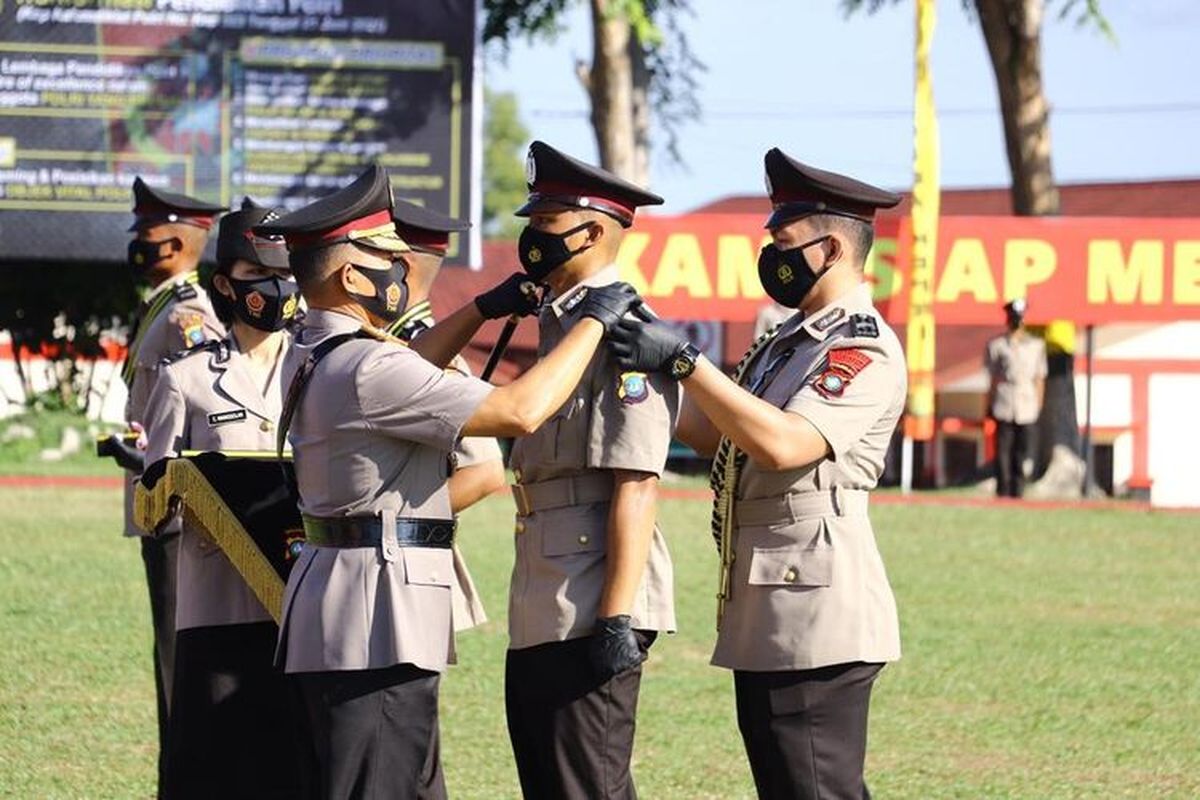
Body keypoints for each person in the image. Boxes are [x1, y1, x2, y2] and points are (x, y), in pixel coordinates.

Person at [256, 164, 643, 799]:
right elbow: (518, 410)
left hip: (341, 603)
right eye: (388, 260)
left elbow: (405, 365)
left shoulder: (315, 347)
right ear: (353, 275)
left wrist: (481, 310)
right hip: (376, 618)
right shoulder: (367, 365)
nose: (401, 274)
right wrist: (595, 323)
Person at [607, 148, 905, 799]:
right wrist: (637, 370)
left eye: (784, 241)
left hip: (818, 610)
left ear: (828, 250)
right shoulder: (787, 340)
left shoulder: (859, 346)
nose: (770, 253)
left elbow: (785, 444)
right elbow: (721, 435)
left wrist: (686, 361)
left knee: (815, 786)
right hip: (773, 604)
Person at [504, 140, 679, 800]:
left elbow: (637, 480)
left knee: (587, 783)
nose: (531, 239)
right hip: (550, 580)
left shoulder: (623, 325)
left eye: (544, 225)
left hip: (593, 589)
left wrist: (615, 617)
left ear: (593, 230)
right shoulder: (561, 318)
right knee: (552, 779)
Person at [139, 199, 309, 799]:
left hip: (304, 603)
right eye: (257, 277)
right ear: (224, 284)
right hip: (216, 601)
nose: (276, 288)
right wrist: (182, 493)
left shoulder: (322, 370)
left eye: (286, 275)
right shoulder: (183, 379)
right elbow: (151, 499)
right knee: (213, 765)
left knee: (293, 764)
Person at [122, 177, 226, 784]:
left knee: (178, 660)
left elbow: (209, 396)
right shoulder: (162, 303)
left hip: (177, 507)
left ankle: (185, 781)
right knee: (169, 655)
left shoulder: (188, 312)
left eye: (148, 234)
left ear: (177, 244)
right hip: (155, 495)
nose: (138, 243)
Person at [385, 199, 504, 632]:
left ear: (398, 266)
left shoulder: (433, 358)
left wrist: (379, 527)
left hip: (401, 564)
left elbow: (485, 472)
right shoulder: (379, 344)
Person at [984, 298, 1047, 498]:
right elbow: (992, 378)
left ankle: (1018, 490)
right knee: (1003, 449)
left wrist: (1038, 404)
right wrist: (989, 403)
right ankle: (1003, 489)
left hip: (1027, 403)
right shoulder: (997, 345)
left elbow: (1039, 378)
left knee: (1022, 450)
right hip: (1005, 401)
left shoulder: (1036, 346)